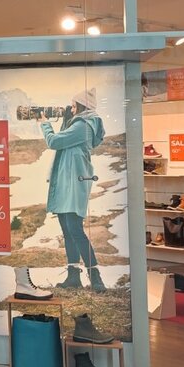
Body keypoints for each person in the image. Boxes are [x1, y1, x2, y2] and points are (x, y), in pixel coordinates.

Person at [39, 88, 106, 292]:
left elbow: (54, 141)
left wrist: (44, 123)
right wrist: (66, 121)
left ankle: (95, 277)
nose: (71, 108)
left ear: (83, 107)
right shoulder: (78, 124)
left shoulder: (83, 126)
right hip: (67, 182)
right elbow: (63, 140)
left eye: (75, 106)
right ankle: (73, 276)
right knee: (68, 231)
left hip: (73, 183)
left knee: (75, 229)